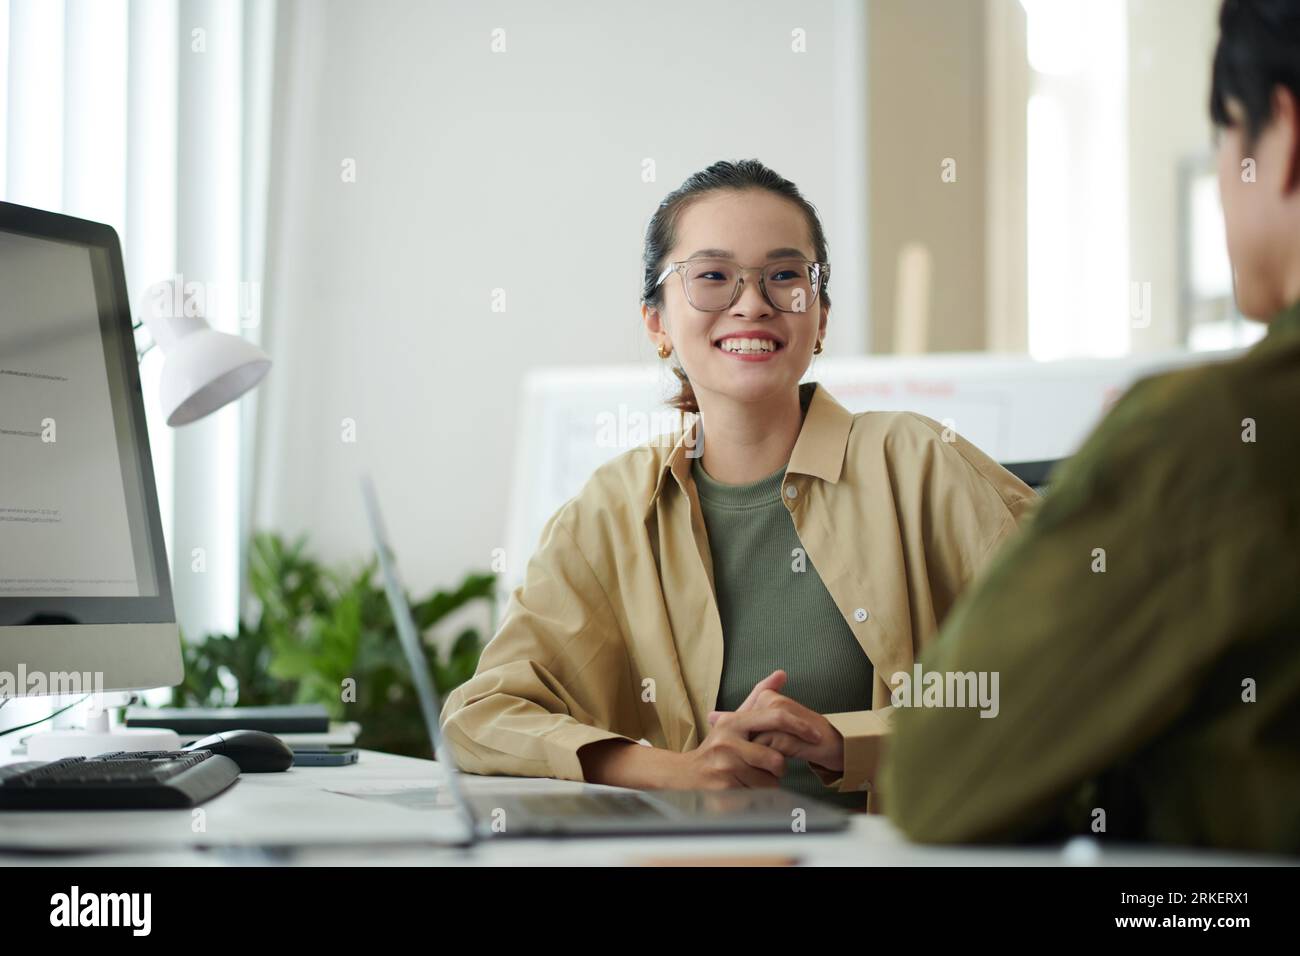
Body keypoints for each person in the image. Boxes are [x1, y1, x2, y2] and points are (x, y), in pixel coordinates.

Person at [442, 159, 1036, 810]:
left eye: (786, 276)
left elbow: (1065, 666)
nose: (753, 303)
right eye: (713, 277)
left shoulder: (919, 462)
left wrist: (850, 741)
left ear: (822, 317)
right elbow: (482, 715)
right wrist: (672, 770)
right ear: (657, 323)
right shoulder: (612, 513)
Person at [882, 0, 1300, 851]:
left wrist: (1130, 461)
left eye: (1226, 135)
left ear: (1283, 138)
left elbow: (936, 776)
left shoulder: (1210, 434)